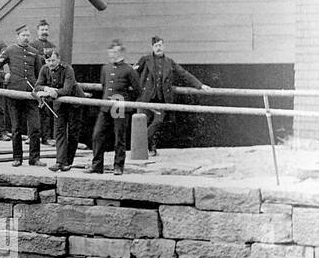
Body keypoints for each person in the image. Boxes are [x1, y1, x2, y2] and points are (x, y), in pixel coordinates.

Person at [135, 36, 211, 154]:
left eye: (160, 45)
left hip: (161, 101)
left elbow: (183, 73)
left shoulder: (169, 62)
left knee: (158, 122)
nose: (158, 48)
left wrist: (200, 85)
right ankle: (151, 148)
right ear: (152, 47)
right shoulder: (145, 60)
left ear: (163, 46)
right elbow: (133, 74)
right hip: (145, 99)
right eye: (156, 46)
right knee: (143, 122)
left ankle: (141, 142)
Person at [91, 40, 141, 175]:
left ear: (121, 53)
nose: (112, 54)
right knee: (97, 134)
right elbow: (103, 86)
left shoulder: (128, 69)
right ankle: (97, 165)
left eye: (115, 52)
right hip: (106, 106)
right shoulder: (105, 68)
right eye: (111, 52)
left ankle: (118, 166)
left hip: (119, 105)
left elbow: (137, 90)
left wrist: (125, 101)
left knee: (119, 136)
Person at [0, 24, 43, 167]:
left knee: (35, 128)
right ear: (17, 37)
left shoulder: (34, 52)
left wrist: (39, 89)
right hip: (14, 93)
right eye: (23, 36)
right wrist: (4, 75)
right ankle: (17, 158)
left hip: (31, 95)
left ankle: (34, 158)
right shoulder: (10, 50)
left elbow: (40, 74)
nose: (26, 38)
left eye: (27, 36)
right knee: (16, 128)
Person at [36, 48, 82, 172]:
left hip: (74, 102)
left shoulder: (67, 69)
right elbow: (37, 86)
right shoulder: (45, 69)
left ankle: (68, 161)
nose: (51, 63)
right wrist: (46, 89)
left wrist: (54, 92)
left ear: (59, 59)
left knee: (73, 132)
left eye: (53, 60)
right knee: (59, 131)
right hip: (59, 104)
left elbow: (67, 90)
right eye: (48, 60)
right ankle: (60, 162)